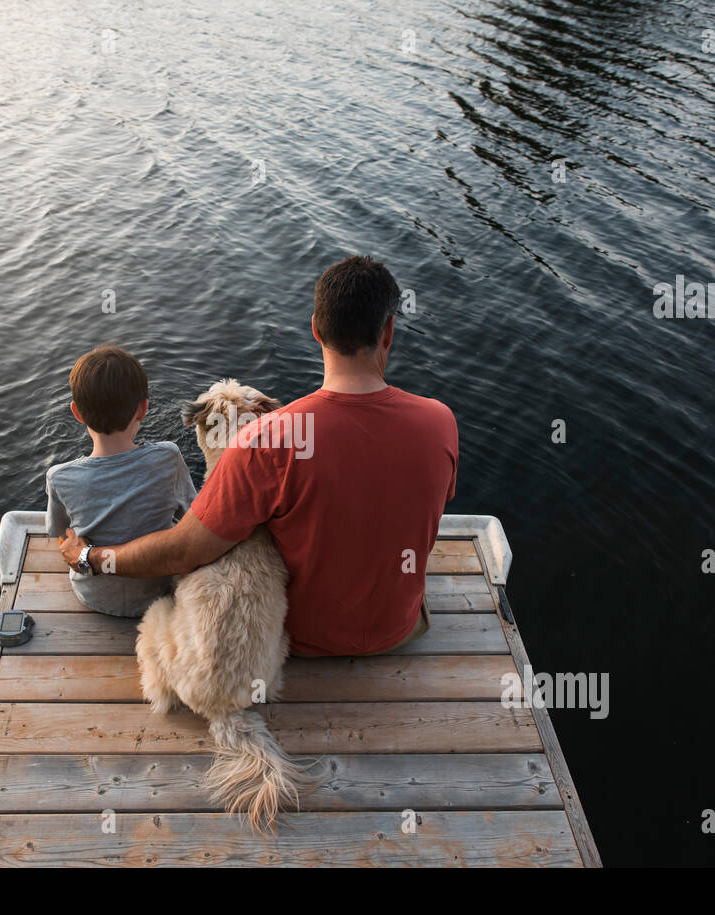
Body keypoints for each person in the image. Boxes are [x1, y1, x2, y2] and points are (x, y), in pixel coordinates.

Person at [59, 256, 458, 655]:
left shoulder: (268, 439)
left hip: (301, 640)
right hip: (399, 629)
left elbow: (184, 551)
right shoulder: (440, 422)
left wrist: (90, 557)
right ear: (389, 331)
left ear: (316, 330)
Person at [45, 344, 197, 617]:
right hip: (159, 595)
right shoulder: (168, 457)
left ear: (76, 412)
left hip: (93, 596)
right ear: (144, 409)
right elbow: (192, 512)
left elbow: (62, 534)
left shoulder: (60, 477)